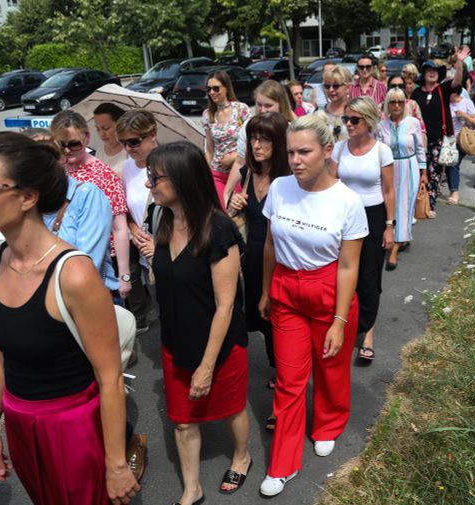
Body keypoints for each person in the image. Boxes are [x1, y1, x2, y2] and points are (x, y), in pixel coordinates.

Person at [0, 132, 139, 504]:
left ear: (28, 197)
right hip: (19, 423)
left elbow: (109, 378)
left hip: (72, 429)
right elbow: (1, 351)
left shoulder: (74, 275)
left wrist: (116, 465)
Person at [258, 113, 367, 497]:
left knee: (331, 367)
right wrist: (266, 290)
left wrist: (339, 320)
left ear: (326, 150)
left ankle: (328, 424)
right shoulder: (280, 188)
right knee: (289, 381)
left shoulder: (348, 201)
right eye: (290, 152)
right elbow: (270, 245)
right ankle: (282, 463)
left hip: (328, 289)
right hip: (286, 289)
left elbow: (350, 264)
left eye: (304, 152)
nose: (296, 160)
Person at [136, 142, 252, 504]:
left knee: (231, 410)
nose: (148, 184)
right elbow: (172, 279)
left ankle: (242, 456)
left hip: (218, 346)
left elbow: (225, 305)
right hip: (176, 343)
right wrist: (155, 260)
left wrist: (205, 367)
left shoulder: (218, 229)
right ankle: (192, 488)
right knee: (184, 421)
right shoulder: (166, 221)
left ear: (182, 179)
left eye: (155, 177)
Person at [227, 112, 292, 431]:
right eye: (253, 137)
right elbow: (231, 212)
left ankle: (286, 384)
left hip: (284, 260)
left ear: (278, 142)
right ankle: (276, 366)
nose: (256, 144)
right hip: (254, 258)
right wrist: (236, 202)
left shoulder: (290, 177)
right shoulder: (246, 172)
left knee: (283, 321)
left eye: (264, 138)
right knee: (264, 319)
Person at [330, 96, 395, 364]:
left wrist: (390, 226)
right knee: (342, 274)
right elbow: (331, 183)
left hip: (373, 215)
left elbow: (389, 191)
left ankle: (367, 332)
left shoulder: (382, 150)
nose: (348, 124)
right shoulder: (339, 149)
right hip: (343, 216)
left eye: (354, 120)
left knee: (369, 277)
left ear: (368, 121)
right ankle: (344, 324)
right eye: (346, 119)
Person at [50, 110, 132, 301]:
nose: (68, 150)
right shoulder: (55, 171)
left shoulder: (103, 174)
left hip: (100, 262)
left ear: (87, 138)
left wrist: (125, 276)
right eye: (62, 145)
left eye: (74, 144)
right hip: (63, 263)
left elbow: (119, 228)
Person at [410, 49, 469, 215]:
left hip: (437, 138)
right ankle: (417, 202)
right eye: (429, 71)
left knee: (434, 173)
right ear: (424, 74)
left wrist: (459, 63)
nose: (432, 73)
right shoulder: (416, 92)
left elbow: (457, 82)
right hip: (418, 139)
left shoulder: (442, 89)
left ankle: (429, 205)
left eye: (435, 71)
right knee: (418, 171)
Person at [116, 109, 159, 333]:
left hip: (168, 250)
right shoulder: (127, 166)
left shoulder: (168, 162)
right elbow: (126, 209)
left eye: (134, 141)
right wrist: (132, 228)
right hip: (144, 254)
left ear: (152, 134)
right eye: (123, 143)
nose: (128, 149)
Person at [224, 79, 296, 207]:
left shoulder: (292, 129)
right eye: (259, 104)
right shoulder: (249, 125)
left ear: (281, 104)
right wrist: (227, 193)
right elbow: (240, 161)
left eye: (268, 105)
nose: (263, 110)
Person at [377, 88, 426, 270]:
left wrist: (423, 173)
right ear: (387, 104)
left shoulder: (413, 122)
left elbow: (420, 148)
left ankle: (395, 248)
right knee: (390, 205)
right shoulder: (381, 126)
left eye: (400, 101)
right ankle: (397, 238)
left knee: (404, 206)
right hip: (389, 169)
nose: (396, 105)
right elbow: (379, 150)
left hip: (409, 166)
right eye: (393, 102)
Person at [201, 69, 252, 207]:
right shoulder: (208, 114)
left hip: (239, 172)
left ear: (226, 87)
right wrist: (204, 173)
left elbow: (252, 142)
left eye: (216, 88)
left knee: (237, 212)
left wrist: (234, 157)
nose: (212, 92)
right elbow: (210, 149)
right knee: (222, 210)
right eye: (209, 89)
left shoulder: (241, 109)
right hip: (217, 173)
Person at [448, 85, 475, 205]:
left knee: (454, 164)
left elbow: (474, 122)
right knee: (449, 164)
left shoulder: (467, 102)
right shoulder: (445, 103)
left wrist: (464, 115)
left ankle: (454, 191)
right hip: (448, 139)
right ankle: (451, 187)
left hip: (463, 139)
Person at [317, 65, 352, 142]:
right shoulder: (319, 113)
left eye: (336, 86)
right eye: (327, 86)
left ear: (348, 87)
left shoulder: (357, 113)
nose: (331, 90)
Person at [93, 103, 128, 177]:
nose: (102, 134)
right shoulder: (100, 152)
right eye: (98, 129)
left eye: (106, 128)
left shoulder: (130, 150)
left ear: (119, 124)